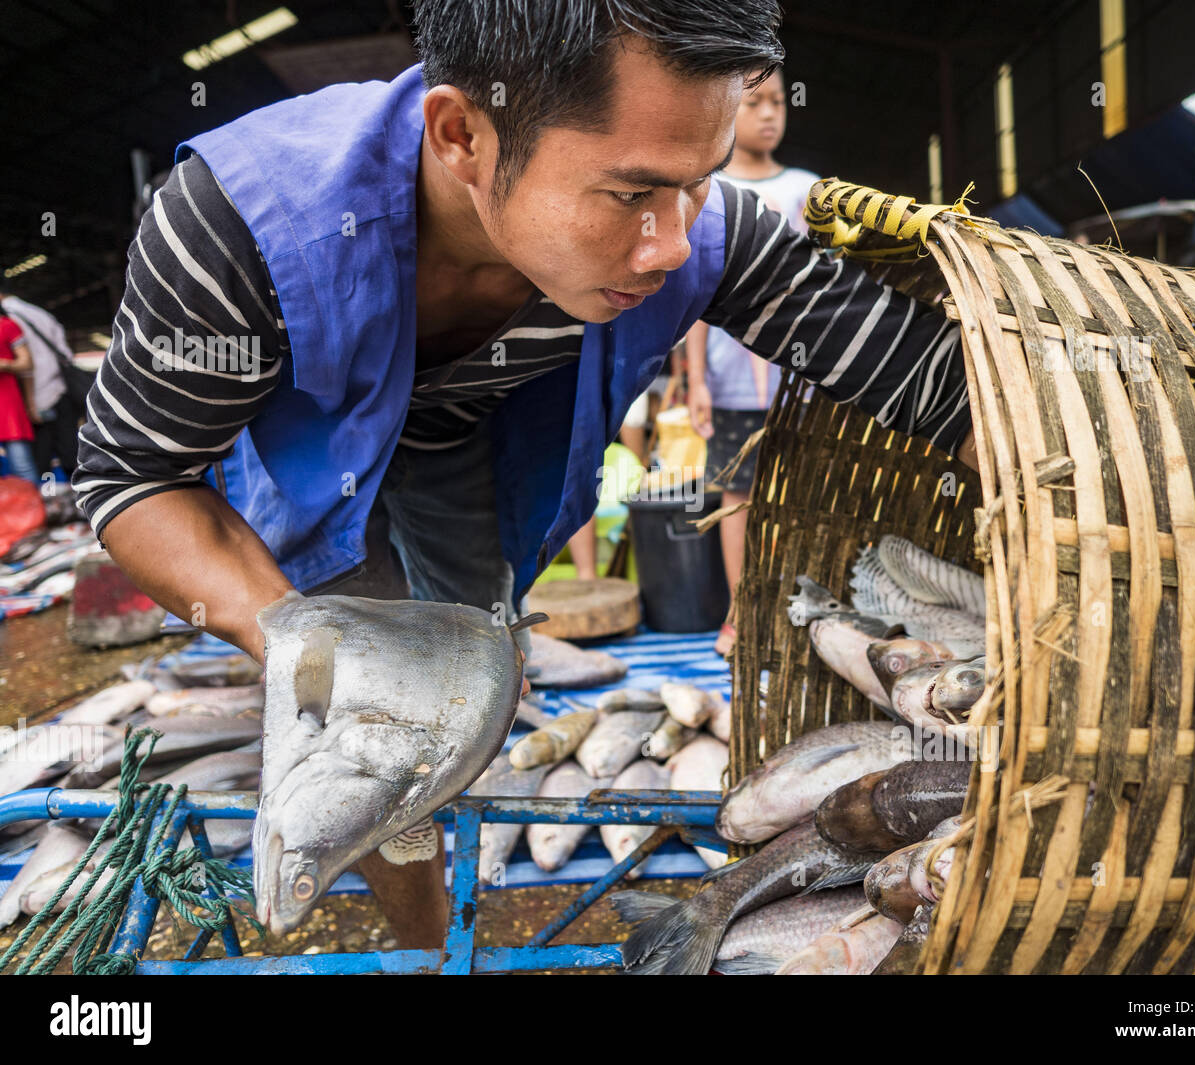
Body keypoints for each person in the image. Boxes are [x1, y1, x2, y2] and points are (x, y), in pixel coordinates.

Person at [73, 0, 975, 950]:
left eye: (699, 185)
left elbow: (931, 384)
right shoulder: (241, 226)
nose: (672, 243)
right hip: (321, 463)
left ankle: (439, 872)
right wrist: (308, 647)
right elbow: (131, 473)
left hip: (483, 443)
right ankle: (430, 950)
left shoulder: (698, 236)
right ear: (462, 135)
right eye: (630, 194)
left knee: (473, 674)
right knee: (374, 722)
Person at [684, 67, 818, 655]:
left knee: (800, 497)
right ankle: (740, 615)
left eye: (778, 102)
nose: (769, 113)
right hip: (731, 378)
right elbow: (691, 295)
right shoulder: (703, 188)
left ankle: (801, 616)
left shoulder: (809, 192)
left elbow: (826, 288)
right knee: (735, 497)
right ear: (724, 108)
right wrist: (695, 381)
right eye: (754, 102)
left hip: (799, 380)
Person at [0, 293, 81, 479]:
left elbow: (28, 368)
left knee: (39, 462)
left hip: (36, 398)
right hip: (60, 391)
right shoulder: (39, 313)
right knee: (71, 457)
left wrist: (30, 403)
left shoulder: (10, 319)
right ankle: (80, 504)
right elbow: (66, 354)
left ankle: (45, 503)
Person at [0, 313, 38, 484]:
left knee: (22, 465)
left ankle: (32, 509)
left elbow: (27, 362)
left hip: (7, 403)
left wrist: (5, 364)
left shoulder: (7, 325)